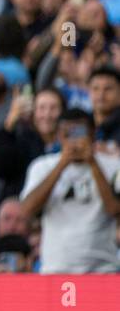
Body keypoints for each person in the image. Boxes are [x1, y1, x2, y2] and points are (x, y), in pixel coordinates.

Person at [20, 109, 120, 273]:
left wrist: (93, 163)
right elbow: (27, 209)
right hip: (56, 267)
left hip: (103, 268)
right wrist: (61, 164)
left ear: (93, 133)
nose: (74, 141)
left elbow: (114, 210)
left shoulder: (114, 165)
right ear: (59, 135)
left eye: (79, 133)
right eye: (67, 134)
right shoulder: (42, 166)